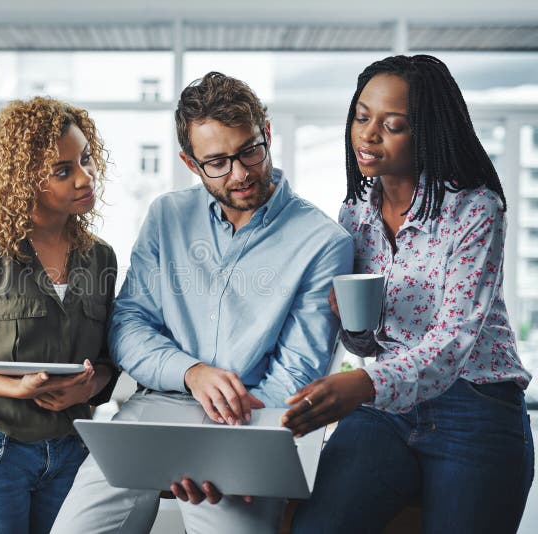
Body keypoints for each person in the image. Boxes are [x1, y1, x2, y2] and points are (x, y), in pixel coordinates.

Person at [52, 72, 353, 534]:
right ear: (190, 163)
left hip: (252, 420)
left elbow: (298, 369)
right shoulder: (166, 216)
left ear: (266, 133)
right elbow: (130, 323)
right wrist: (191, 373)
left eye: (250, 149)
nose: (240, 173)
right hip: (156, 408)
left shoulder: (324, 241)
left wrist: (229, 450)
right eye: (216, 162)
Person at [283, 55, 534, 534]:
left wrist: (363, 383)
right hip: (388, 411)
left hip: (476, 404)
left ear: (426, 131)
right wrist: (353, 328)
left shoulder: (475, 209)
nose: (368, 134)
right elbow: (368, 342)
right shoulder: (355, 213)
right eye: (361, 116)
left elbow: (452, 343)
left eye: (391, 124)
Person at [0, 96, 119, 534]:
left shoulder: (100, 257)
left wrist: (86, 389)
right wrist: (16, 390)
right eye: (63, 170)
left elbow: (109, 360)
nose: (85, 177)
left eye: (86, 160)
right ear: (24, 179)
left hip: (72, 448)